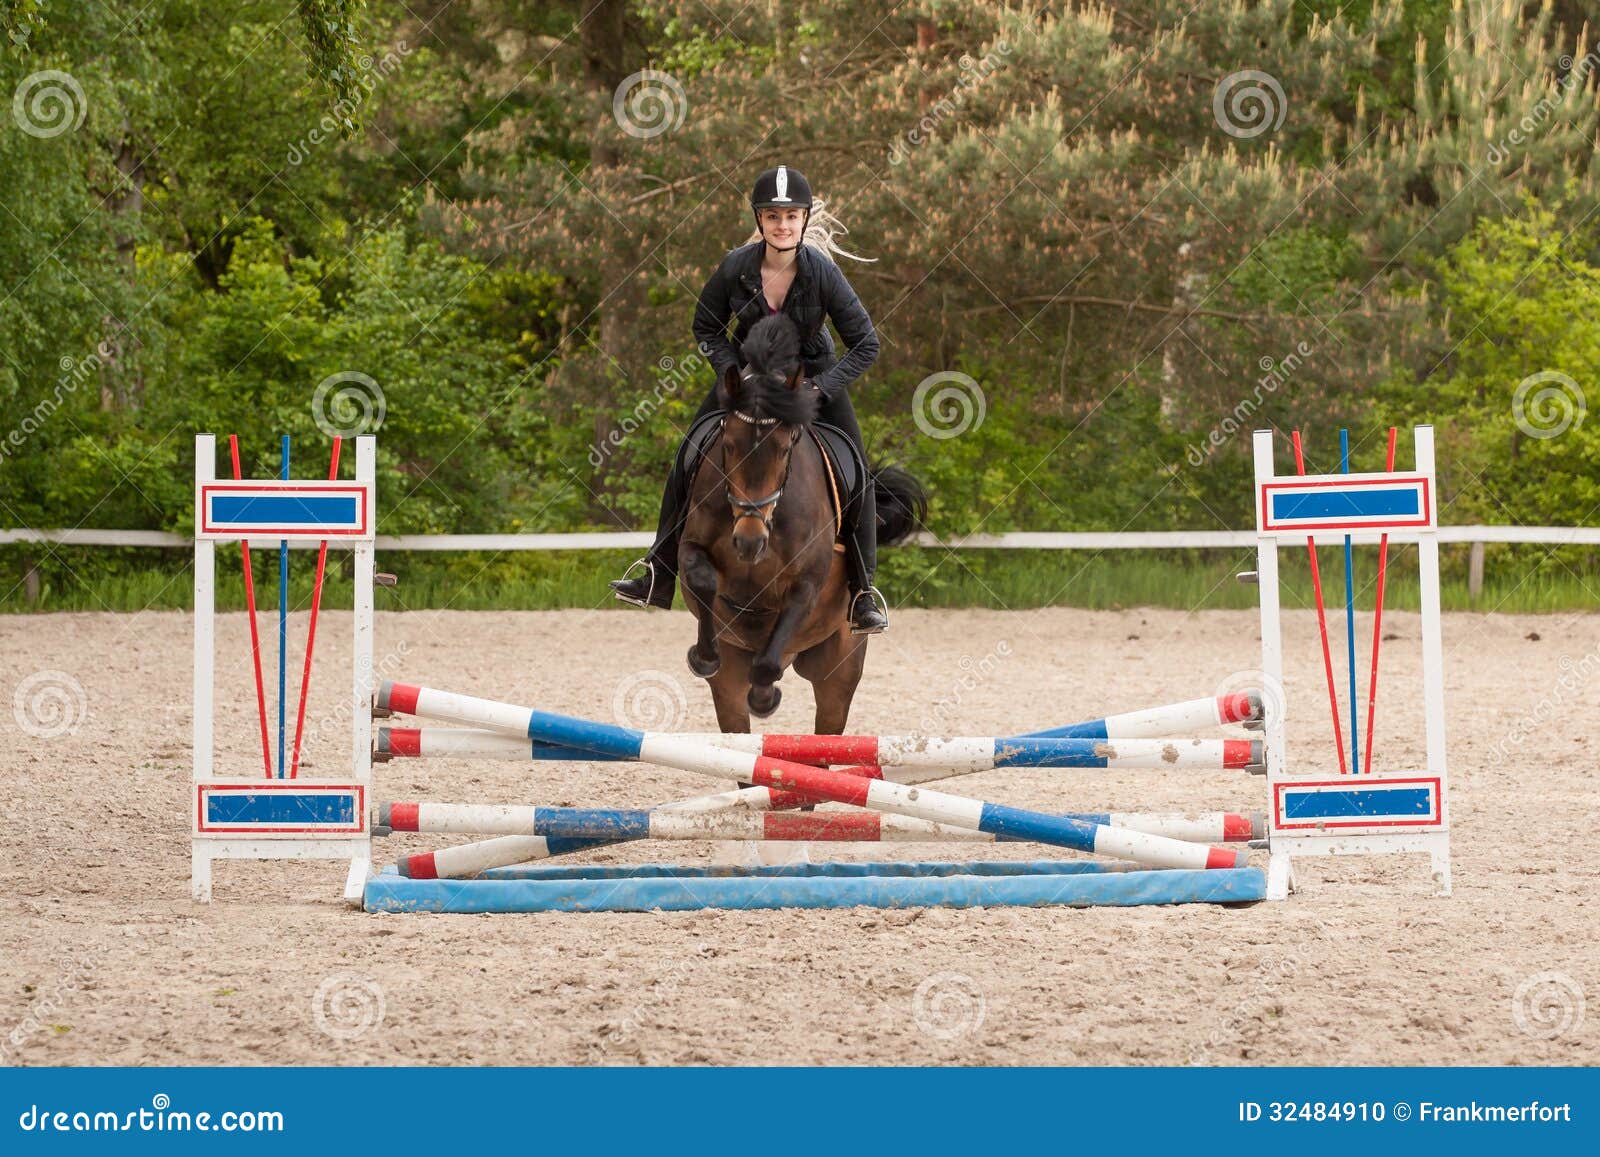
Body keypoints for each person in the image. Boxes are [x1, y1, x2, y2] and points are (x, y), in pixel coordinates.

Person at [609, 164, 890, 634]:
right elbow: (705, 327)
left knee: (856, 470)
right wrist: (732, 372)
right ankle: (658, 571)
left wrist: (821, 387)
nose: (783, 225)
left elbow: (866, 344)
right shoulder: (735, 267)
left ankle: (863, 592)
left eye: (792, 216)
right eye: (773, 216)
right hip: (748, 375)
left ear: (803, 220)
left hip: (811, 377)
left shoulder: (823, 273)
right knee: (689, 452)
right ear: (759, 220)